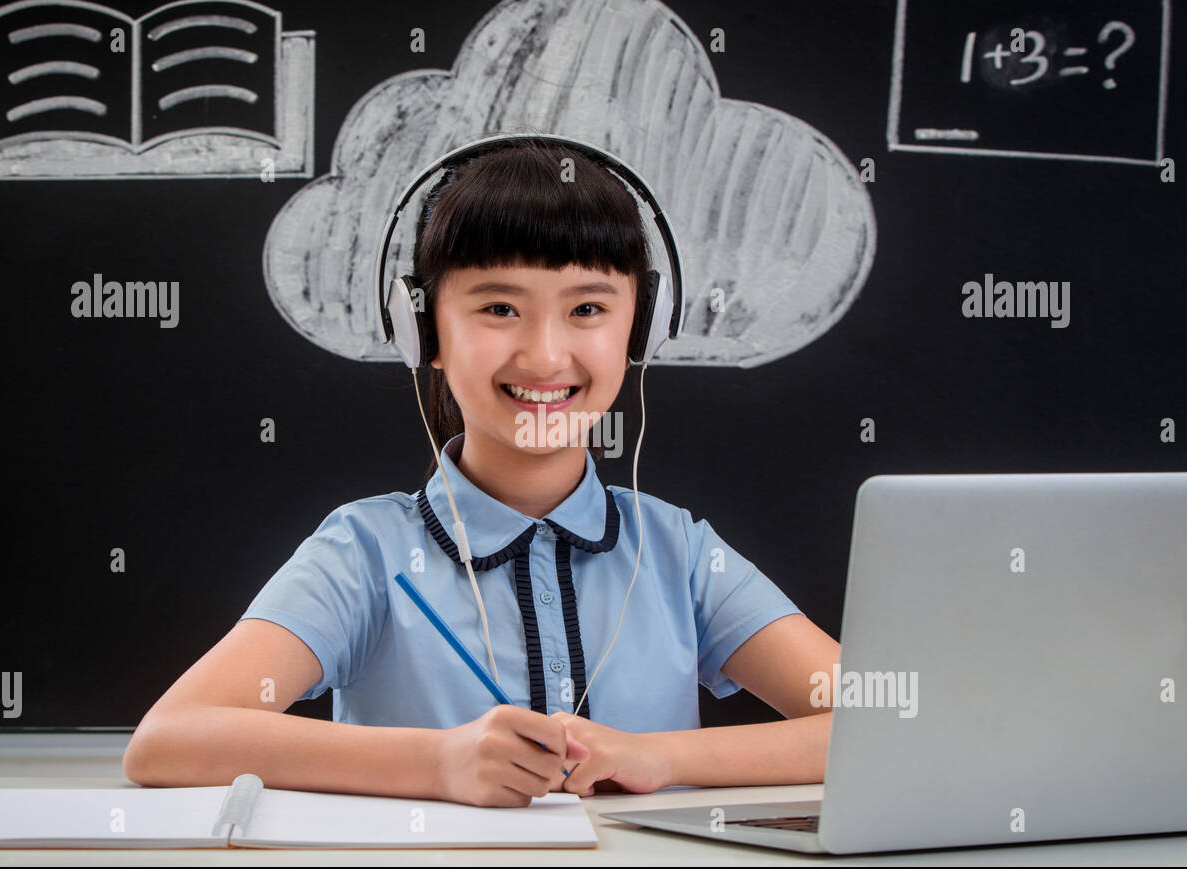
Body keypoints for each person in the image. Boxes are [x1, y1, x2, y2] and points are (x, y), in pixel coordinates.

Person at [123, 137, 841, 808]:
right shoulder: (365, 553)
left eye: (588, 308)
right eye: (499, 307)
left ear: (641, 330)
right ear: (425, 333)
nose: (544, 355)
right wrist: (439, 763)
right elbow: (169, 741)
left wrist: (661, 758)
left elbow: (887, 718)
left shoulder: (677, 552)